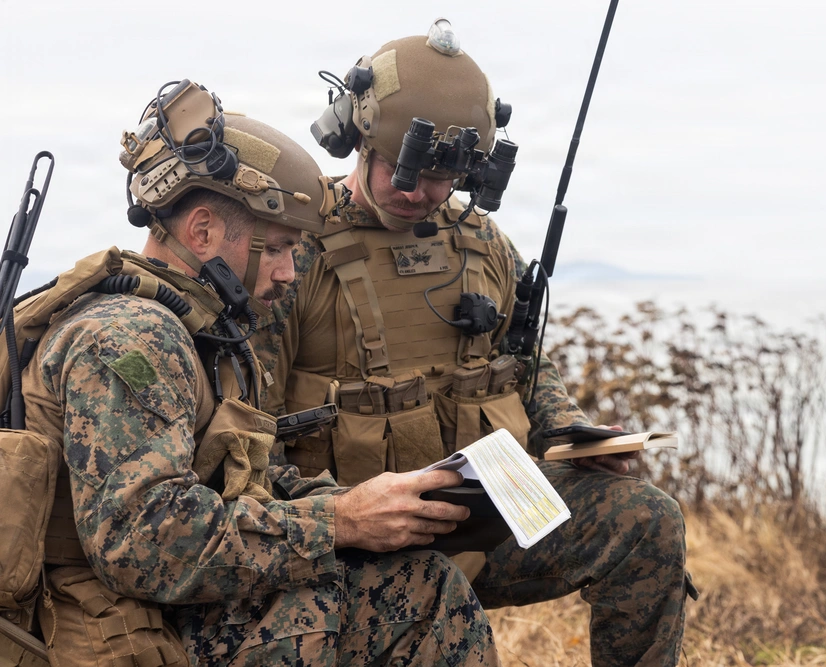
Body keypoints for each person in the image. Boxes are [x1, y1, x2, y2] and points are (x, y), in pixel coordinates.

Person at [254, 22, 696, 666]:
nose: (418, 193)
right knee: (433, 602)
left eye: (441, 179)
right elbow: (246, 428)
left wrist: (571, 432)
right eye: (405, 171)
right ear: (360, 140)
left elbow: (522, 366)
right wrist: (332, 515)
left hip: (487, 519)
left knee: (646, 521)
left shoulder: (481, 244)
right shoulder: (296, 252)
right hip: (355, 534)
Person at [15, 79, 499, 666]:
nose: (289, 271)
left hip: (154, 603)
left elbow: (243, 482)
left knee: (417, 576)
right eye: (276, 248)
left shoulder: (202, 332)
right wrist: (338, 524)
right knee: (420, 597)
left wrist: (378, 504)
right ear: (202, 232)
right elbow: (141, 543)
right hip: (94, 622)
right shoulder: (132, 337)